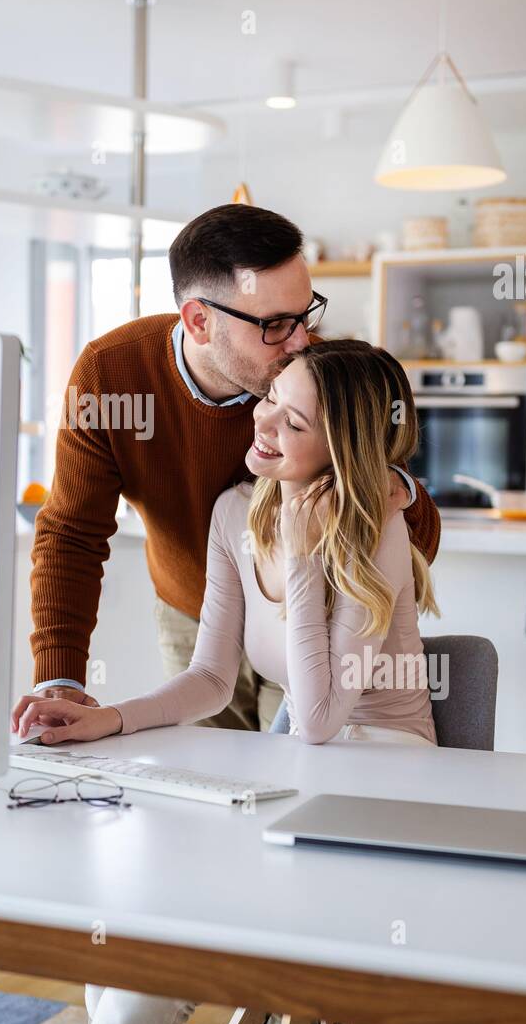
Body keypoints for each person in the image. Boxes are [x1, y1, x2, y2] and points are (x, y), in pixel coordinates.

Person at [14, 338, 441, 1024]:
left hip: (380, 788)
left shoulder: (379, 528)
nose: (265, 423)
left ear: (341, 452)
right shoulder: (235, 513)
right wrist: (107, 718)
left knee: (141, 989)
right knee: (116, 942)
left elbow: (318, 719)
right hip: (303, 772)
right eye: (271, 399)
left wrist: (306, 555)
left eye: (295, 424)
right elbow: (211, 677)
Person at [27, 203, 440, 740]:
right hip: (193, 607)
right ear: (200, 321)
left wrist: (386, 488)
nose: (299, 341)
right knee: (213, 778)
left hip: (311, 615)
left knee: (287, 773)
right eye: (274, 324)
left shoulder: (306, 378)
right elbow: (72, 534)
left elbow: (406, 528)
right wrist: (59, 680)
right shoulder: (110, 375)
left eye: (305, 313)